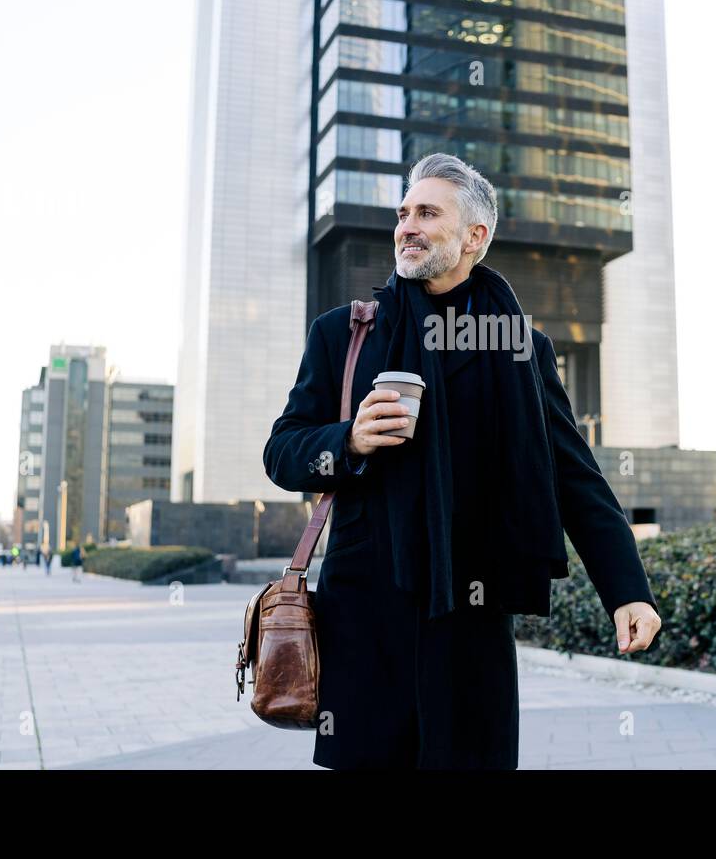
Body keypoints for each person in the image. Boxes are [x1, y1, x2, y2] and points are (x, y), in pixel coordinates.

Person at [263, 153, 662, 771]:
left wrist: (626, 592)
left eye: (427, 212)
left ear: (476, 236)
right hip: (366, 619)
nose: (407, 226)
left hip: (473, 621)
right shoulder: (345, 333)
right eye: (403, 213)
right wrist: (348, 440)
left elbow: (575, 476)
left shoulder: (522, 349)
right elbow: (282, 452)